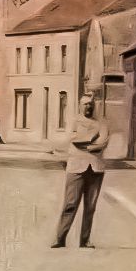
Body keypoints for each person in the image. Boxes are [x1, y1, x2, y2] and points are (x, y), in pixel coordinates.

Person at [52, 92, 107, 248]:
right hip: (76, 167)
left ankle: (85, 240)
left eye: (91, 104)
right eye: (85, 104)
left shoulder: (102, 122)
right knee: (70, 204)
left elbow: (103, 143)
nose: (89, 106)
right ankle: (60, 238)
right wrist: (92, 138)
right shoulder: (73, 121)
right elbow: (73, 139)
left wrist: (87, 142)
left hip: (96, 169)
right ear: (80, 106)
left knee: (90, 207)